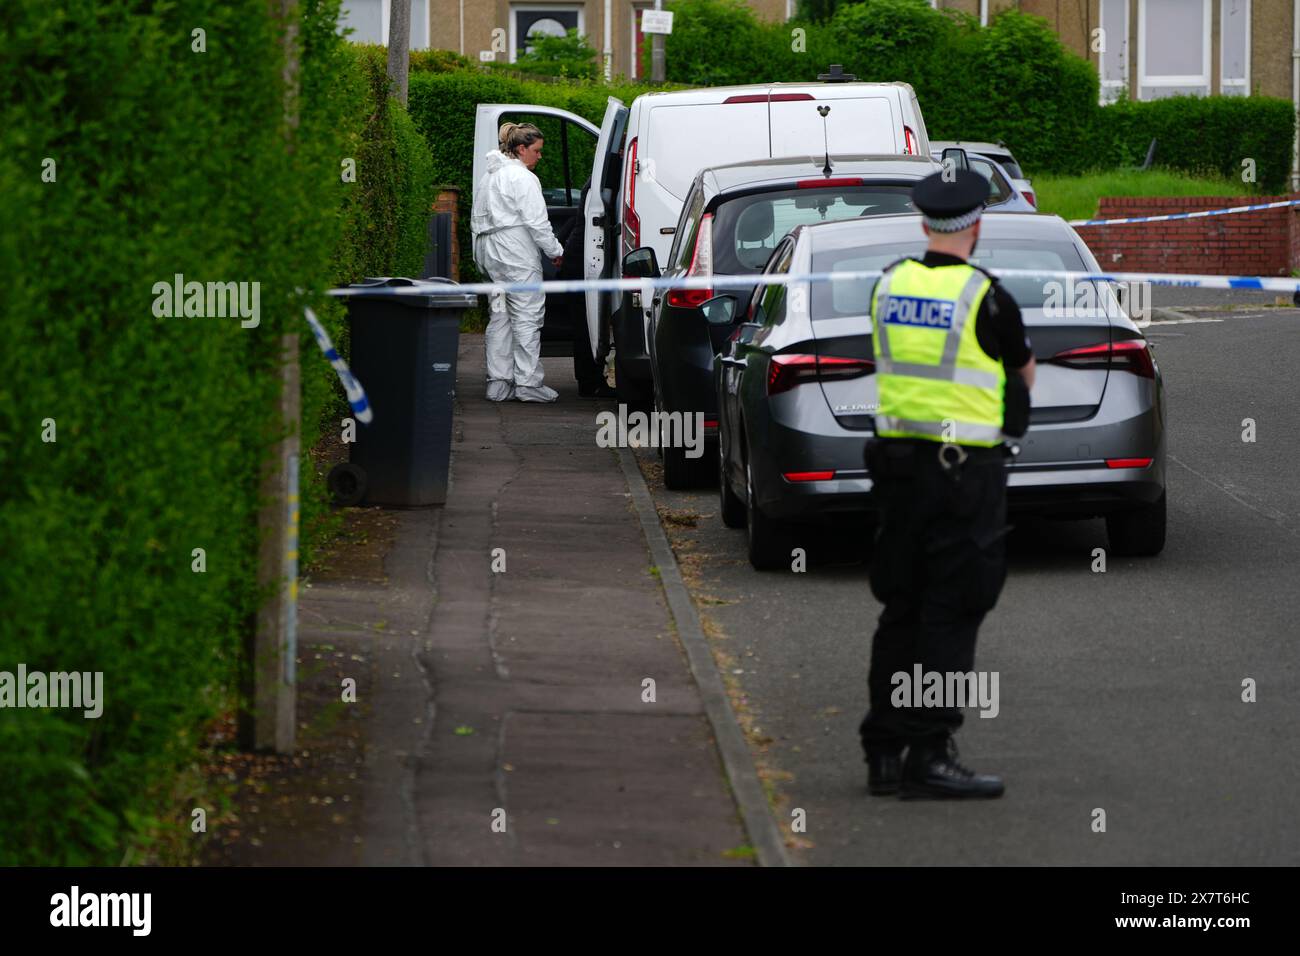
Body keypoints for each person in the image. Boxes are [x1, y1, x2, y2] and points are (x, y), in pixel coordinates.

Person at [858, 168, 1036, 800]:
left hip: (898, 471)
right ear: (977, 225)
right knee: (953, 611)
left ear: (924, 222)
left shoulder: (889, 284)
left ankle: (883, 751)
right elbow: (1022, 373)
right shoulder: (986, 296)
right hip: (965, 477)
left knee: (900, 606)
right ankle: (930, 752)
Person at [471, 122, 564, 402]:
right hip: (516, 254)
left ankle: (498, 382)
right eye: (536, 150)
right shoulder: (522, 178)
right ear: (521, 149)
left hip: (490, 253)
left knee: (499, 316)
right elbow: (537, 222)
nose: (539, 156)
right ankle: (528, 383)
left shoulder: (490, 176)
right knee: (527, 315)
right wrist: (555, 250)